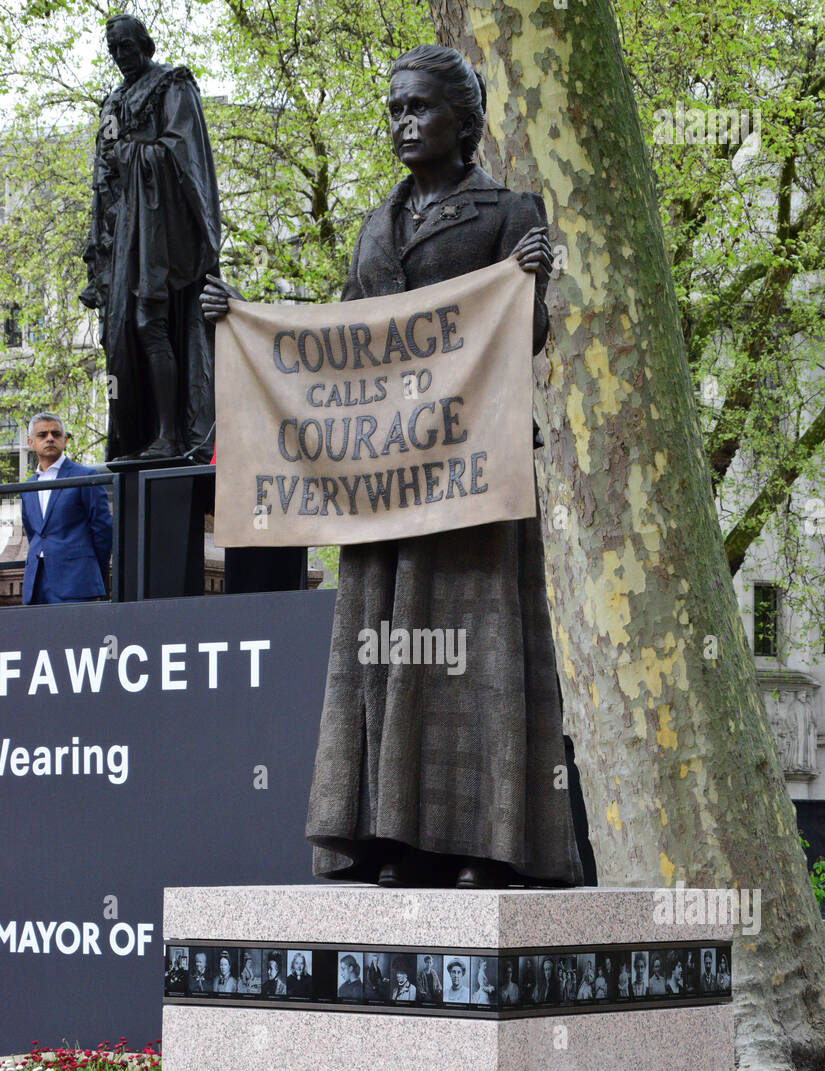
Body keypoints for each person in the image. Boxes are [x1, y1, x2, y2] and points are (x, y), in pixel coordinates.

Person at [202, 44, 584, 890]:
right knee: (378, 654)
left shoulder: (508, 211)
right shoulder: (379, 221)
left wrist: (528, 292)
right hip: (380, 484)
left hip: (471, 478)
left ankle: (484, 844)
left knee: (473, 656)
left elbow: (520, 342)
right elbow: (337, 347)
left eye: (418, 108)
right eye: (393, 111)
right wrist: (240, 321)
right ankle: (381, 832)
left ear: (463, 119)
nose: (402, 124)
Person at [81, 15, 220, 462]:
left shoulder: (172, 85)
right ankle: (133, 436)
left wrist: (127, 152)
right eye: (113, 49)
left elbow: (180, 154)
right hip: (123, 235)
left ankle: (170, 436)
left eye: (127, 46)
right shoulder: (114, 99)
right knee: (119, 335)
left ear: (146, 44)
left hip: (160, 229)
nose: (121, 57)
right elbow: (103, 179)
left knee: (149, 323)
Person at [21, 413, 112, 605]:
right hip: (36, 582)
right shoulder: (27, 487)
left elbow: (103, 529)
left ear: (65, 440)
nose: (50, 438)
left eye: (56, 434)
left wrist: (93, 570)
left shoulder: (85, 476)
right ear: (31, 443)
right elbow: (34, 533)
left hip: (76, 581)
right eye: (42, 435)